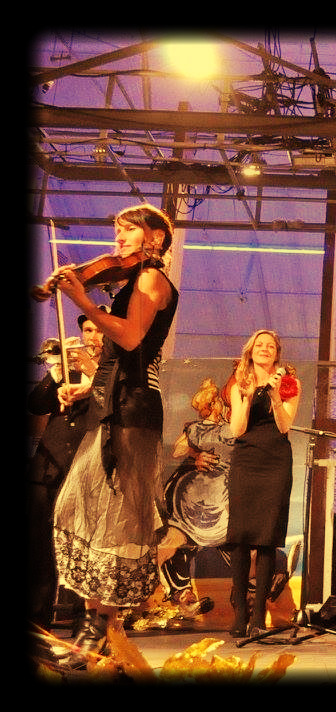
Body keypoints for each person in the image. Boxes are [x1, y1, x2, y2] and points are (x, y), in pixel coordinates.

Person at [48, 203, 179, 669]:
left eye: (129, 231)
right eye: (117, 231)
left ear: (156, 240)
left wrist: (83, 303)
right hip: (113, 403)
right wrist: (87, 386)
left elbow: (128, 338)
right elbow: (119, 359)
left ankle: (95, 632)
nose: (118, 239)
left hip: (132, 409)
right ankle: (97, 628)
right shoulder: (131, 279)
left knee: (113, 516)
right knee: (86, 508)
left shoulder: (150, 280)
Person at [27, 308, 106, 664]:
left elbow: (109, 411)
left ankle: (81, 634)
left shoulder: (112, 373)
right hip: (48, 467)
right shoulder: (69, 367)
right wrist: (55, 371)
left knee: (81, 552)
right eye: (88, 330)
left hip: (86, 470)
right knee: (41, 554)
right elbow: (36, 404)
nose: (92, 337)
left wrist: (92, 372)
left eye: (98, 331)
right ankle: (37, 631)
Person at [225, 330, 301, 637]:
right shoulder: (238, 382)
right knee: (241, 536)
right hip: (246, 461)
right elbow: (237, 430)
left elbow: (285, 426)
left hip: (276, 462)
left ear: (278, 353)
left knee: (267, 537)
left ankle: (259, 615)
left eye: (271, 346)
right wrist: (248, 395)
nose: (265, 349)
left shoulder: (289, 383)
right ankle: (240, 612)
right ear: (250, 350)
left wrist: (272, 394)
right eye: (260, 345)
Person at [157, 376, 234, 620]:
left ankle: (252, 589)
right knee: (175, 545)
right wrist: (196, 453)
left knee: (233, 544)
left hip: (220, 501)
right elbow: (178, 449)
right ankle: (181, 596)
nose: (224, 408)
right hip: (189, 498)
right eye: (222, 403)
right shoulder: (197, 427)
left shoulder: (235, 426)